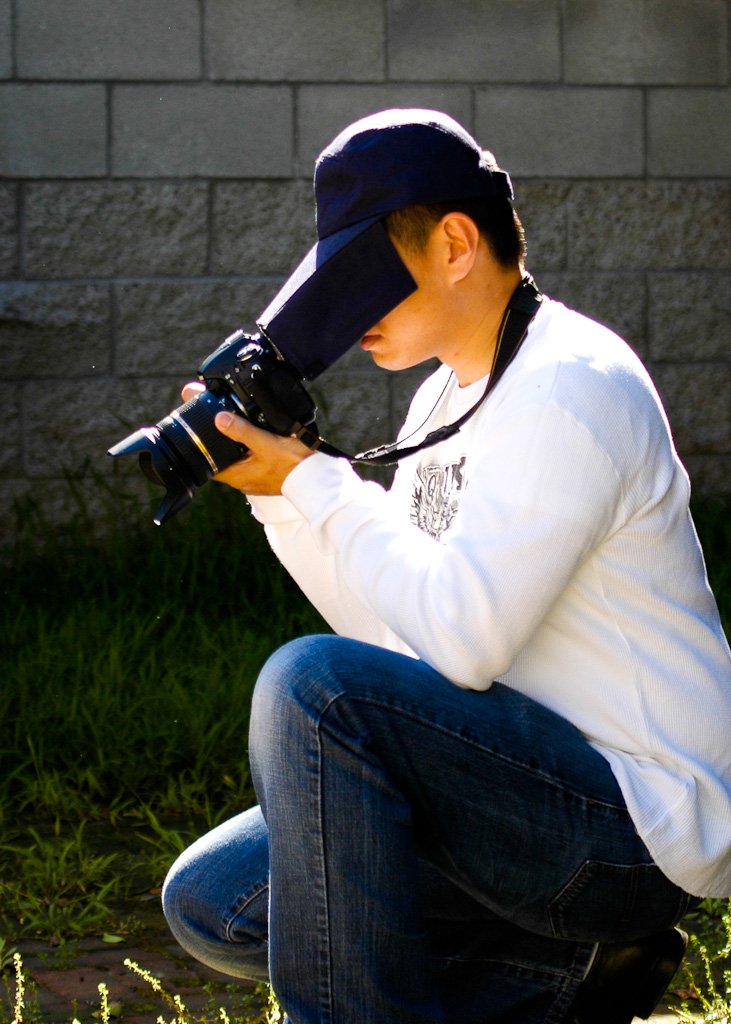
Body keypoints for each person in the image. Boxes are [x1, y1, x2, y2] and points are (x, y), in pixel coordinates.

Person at [162, 110, 731, 1024]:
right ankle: (567, 971)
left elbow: (461, 645)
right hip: (520, 791)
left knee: (313, 687)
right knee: (216, 900)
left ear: (456, 244)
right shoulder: (442, 398)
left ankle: (568, 945)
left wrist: (313, 478)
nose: (348, 315)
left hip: (634, 826)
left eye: (364, 279)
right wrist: (278, 495)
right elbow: (399, 632)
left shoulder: (569, 385)